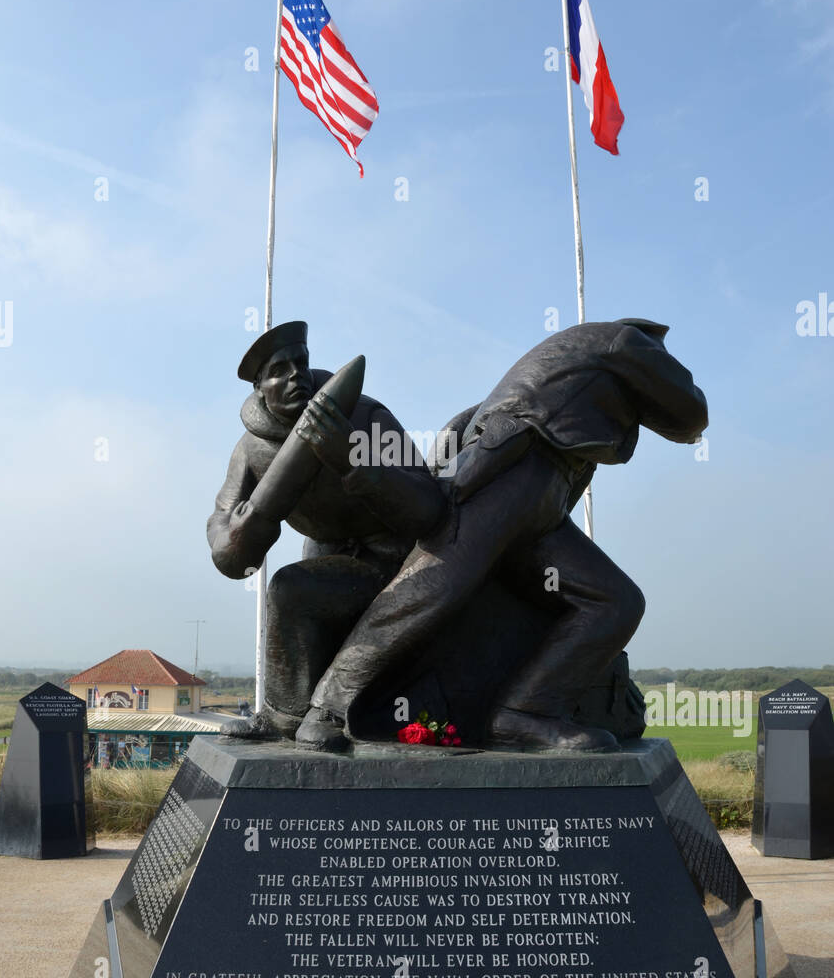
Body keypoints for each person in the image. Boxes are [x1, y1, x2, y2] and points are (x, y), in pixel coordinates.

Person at [301, 319, 708, 752]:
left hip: (543, 495)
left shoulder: (589, 364)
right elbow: (690, 414)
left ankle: (523, 713)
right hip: (511, 468)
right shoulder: (626, 341)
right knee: (431, 585)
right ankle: (327, 709)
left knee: (615, 601)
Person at [207, 320, 446, 744]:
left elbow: (428, 507)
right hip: (326, 556)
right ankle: (293, 714)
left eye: (301, 362)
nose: (296, 374)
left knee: (290, 589)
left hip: (393, 559)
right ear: (260, 387)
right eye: (280, 370)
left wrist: (353, 457)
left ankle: (289, 717)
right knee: (300, 587)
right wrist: (234, 534)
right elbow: (222, 520)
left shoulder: (365, 416)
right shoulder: (251, 448)